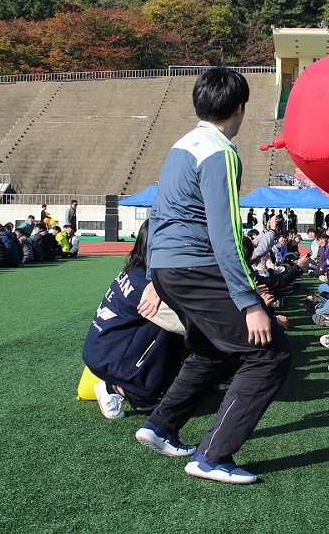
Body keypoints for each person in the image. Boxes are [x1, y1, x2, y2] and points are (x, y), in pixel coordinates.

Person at [135, 67, 291, 485]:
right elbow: (226, 235)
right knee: (270, 353)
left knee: (211, 349)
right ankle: (212, 456)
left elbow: (159, 214)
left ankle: (162, 424)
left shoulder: (181, 144)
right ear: (240, 108)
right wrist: (249, 303)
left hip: (169, 265)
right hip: (195, 264)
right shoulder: (221, 152)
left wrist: (155, 274)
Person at [83, 220, 184, 419]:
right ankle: (115, 389)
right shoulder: (146, 285)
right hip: (112, 359)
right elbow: (182, 324)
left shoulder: (134, 269)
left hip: (102, 349)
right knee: (182, 331)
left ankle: (141, 392)